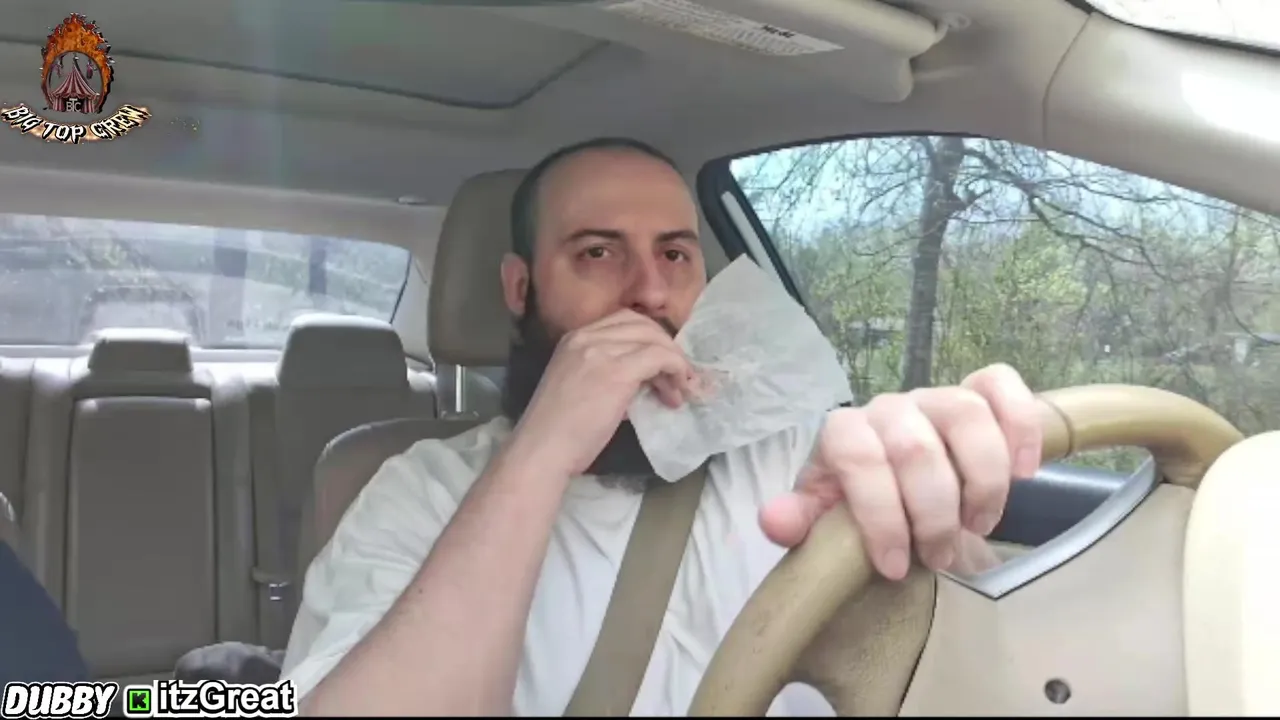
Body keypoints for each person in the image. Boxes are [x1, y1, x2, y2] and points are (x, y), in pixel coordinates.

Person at [280, 138, 1043, 716]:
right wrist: (543, 449)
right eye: (597, 252)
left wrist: (942, 522)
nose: (650, 292)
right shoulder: (419, 490)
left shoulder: (802, 459)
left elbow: (998, 671)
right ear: (520, 288)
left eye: (676, 254)